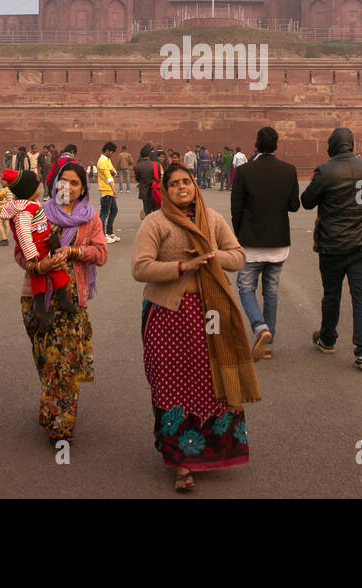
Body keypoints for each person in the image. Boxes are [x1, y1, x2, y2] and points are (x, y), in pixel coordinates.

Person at [133, 162, 255, 492]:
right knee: (170, 384)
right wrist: (183, 265)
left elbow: (238, 255)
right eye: (174, 184)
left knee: (211, 381)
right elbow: (140, 268)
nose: (182, 188)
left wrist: (211, 255)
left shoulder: (212, 219)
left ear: (195, 185)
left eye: (187, 181)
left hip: (209, 314)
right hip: (168, 314)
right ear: (165, 190)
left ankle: (210, 451)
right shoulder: (154, 222)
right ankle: (181, 462)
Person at [7, 162, 108, 444]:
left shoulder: (90, 218)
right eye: (64, 181)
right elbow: (20, 252)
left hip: (72, 300)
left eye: (75, 183)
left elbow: (101, 253)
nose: (69, 187)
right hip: (38, 298)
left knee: (65, 362)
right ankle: (53, 409)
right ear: (55, 184)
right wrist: (40, 265)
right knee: (45, 360)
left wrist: (75, 251)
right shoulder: (36, 212)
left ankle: (61, 425)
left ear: (83, 188)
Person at [302, 126, 362, 371]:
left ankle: (328, 338)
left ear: (333, 145)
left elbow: (307, 201)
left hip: (333, 244)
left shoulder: (325, 171)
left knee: (331, 295)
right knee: (361, 296)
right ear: (352, 144)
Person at [230, 126, 300, 360]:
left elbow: (236, 209)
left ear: (256, 145)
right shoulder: (289, 171)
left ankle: (260, 327)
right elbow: (293, 206)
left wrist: (239, 236)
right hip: (278, 242)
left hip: (250, 242)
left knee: (245, 287)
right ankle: (268, 346)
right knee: (271, 291)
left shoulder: (244, 172)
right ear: (276, 145)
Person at [1, 167, 76, 331]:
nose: (40, 188)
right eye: (37, 186)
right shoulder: (23, 211)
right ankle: (42, 308)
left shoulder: (30, 205)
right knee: (43, 273)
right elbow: (23, 234)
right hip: (37, 248)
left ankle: (57, 302)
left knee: (54, 270)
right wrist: (32, 256)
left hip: (43, 243)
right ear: (30, 190)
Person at [97, 142, 119, 243]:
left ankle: (109, 232)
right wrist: (114, 190)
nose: (112, 154)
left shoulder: (108, 160)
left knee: (114, 210)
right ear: (107, 151)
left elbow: (114, 172)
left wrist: (113, 172)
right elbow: (109, 176)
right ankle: (102, 235)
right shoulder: (102, 161)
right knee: (104, 213)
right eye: (112, 152)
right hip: (106, 190)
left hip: (109, 190)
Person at [135, 143, 162, 216]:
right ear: (149, 155)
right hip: (155, 191)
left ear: (141, 155)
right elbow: (159, 177)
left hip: (144, 192)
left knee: (147, 213)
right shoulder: (156, 164)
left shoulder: (137, 166)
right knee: (156, 213)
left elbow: (138, 179)